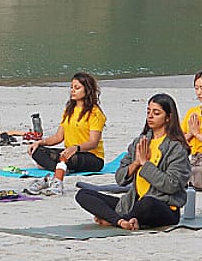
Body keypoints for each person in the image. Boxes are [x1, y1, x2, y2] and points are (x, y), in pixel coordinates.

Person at [75, 94, 190, 230]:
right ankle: (121, 221)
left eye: (156, 113)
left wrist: (145, 164)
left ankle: (115, 219)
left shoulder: (176, 148)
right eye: (148, 112)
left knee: (147, 203)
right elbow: (120, 178)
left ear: (168, 117)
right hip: (132, 203)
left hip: (163, 207)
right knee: (83, 194)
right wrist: (136, 163)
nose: (150, 116)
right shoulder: (139, 142)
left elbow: (172, 185)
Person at [24, 72, 107, 196]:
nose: (73, 91)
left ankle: (54, 180)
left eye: (77, 88)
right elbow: (58, 137)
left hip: (91, 156)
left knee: (65, 158)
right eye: (72, 87)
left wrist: (75, 148)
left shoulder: (95, 113)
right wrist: (39, 142)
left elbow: (93, 142)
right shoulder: (69, 110)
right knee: (37, 151)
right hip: (69, 153)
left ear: (87, 90)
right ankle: (61, 169)